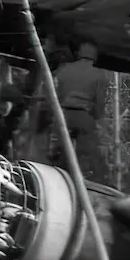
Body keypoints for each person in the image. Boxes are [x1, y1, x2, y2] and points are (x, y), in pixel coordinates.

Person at [49, 42, 112, 183]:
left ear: (79, 54)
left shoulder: (64, 69)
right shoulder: (99, 74)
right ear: (94, 56)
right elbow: (99, 102)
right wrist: (96, 116)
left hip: (63, 115)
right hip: (84, 116)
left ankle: (59, 179)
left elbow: (55, 92)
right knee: (89, 153)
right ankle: (96, 183)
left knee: (61, 151)